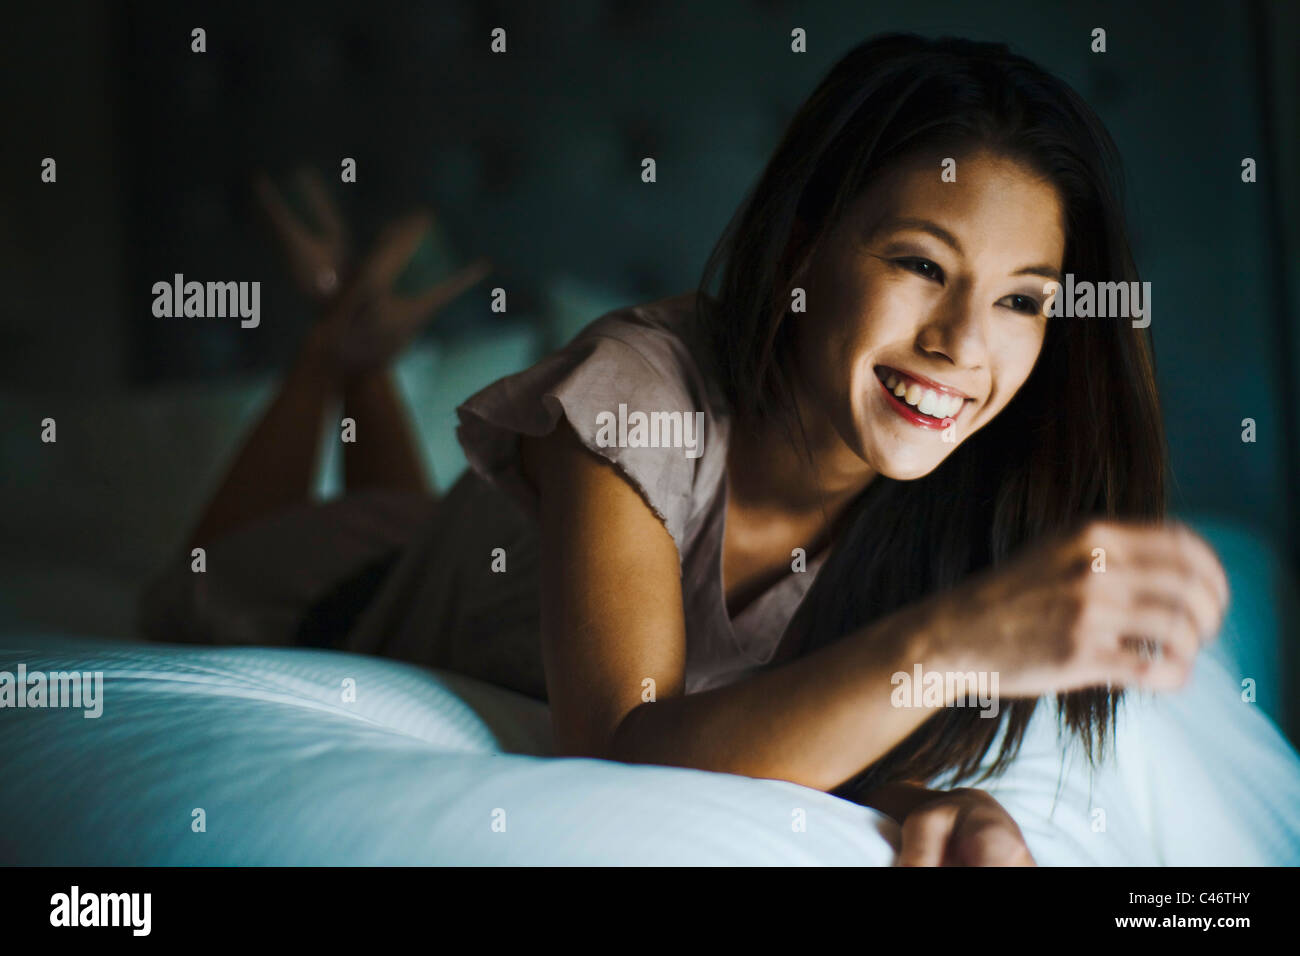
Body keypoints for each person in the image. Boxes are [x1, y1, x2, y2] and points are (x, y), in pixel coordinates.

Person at [139, 34, 1230, 867]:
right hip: (356, 588)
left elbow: (786, 729)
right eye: (917, 263)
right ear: (804, 242)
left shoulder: (970, 483)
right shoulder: (642, 385)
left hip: (464, 561)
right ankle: (338, 347)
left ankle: (370, 356)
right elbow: (619, 743)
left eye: (1021, 299)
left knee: (427, 531)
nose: (958, 345)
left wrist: (939, 804)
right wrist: (958, 637)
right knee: (190, 592)